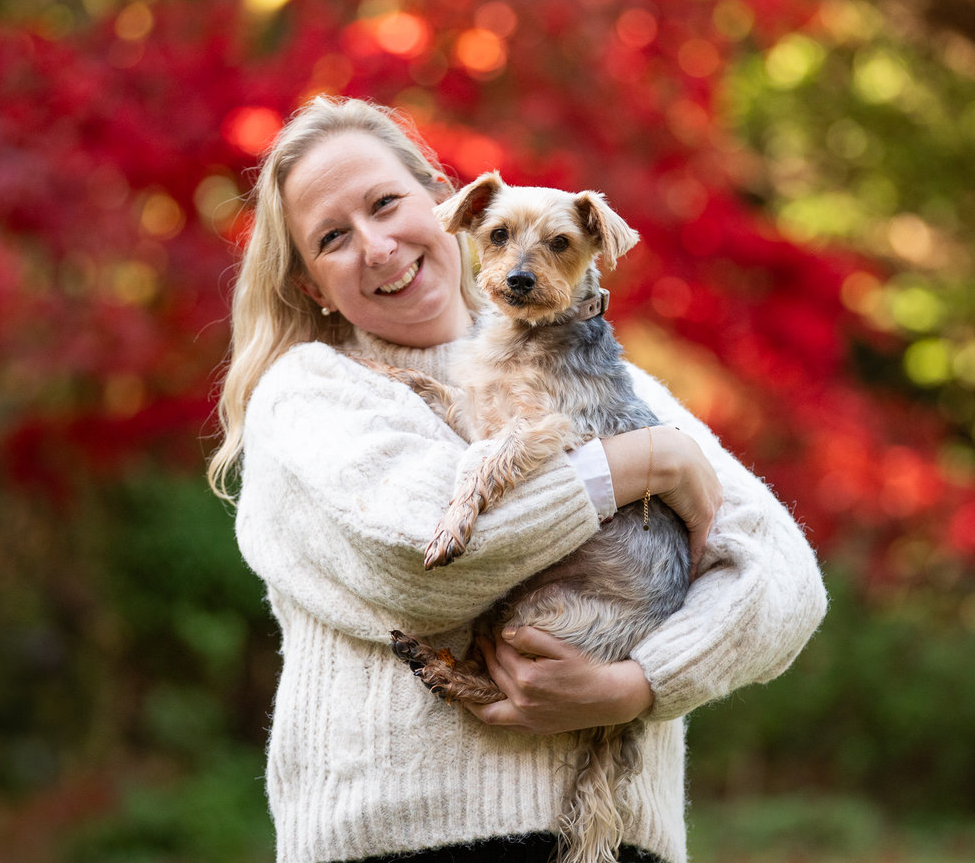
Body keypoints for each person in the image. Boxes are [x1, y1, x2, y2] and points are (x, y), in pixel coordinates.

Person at [208, 96, 828, 863]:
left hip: (611, 843)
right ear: (310, 286)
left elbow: (788, 578)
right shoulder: (307, 394)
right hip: (403, 843)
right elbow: (421, 560)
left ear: (443, 204)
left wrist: (640, 683)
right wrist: (642, 463)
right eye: (333, 237)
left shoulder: (608, 380)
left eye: (387, 203)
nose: (376, 245)